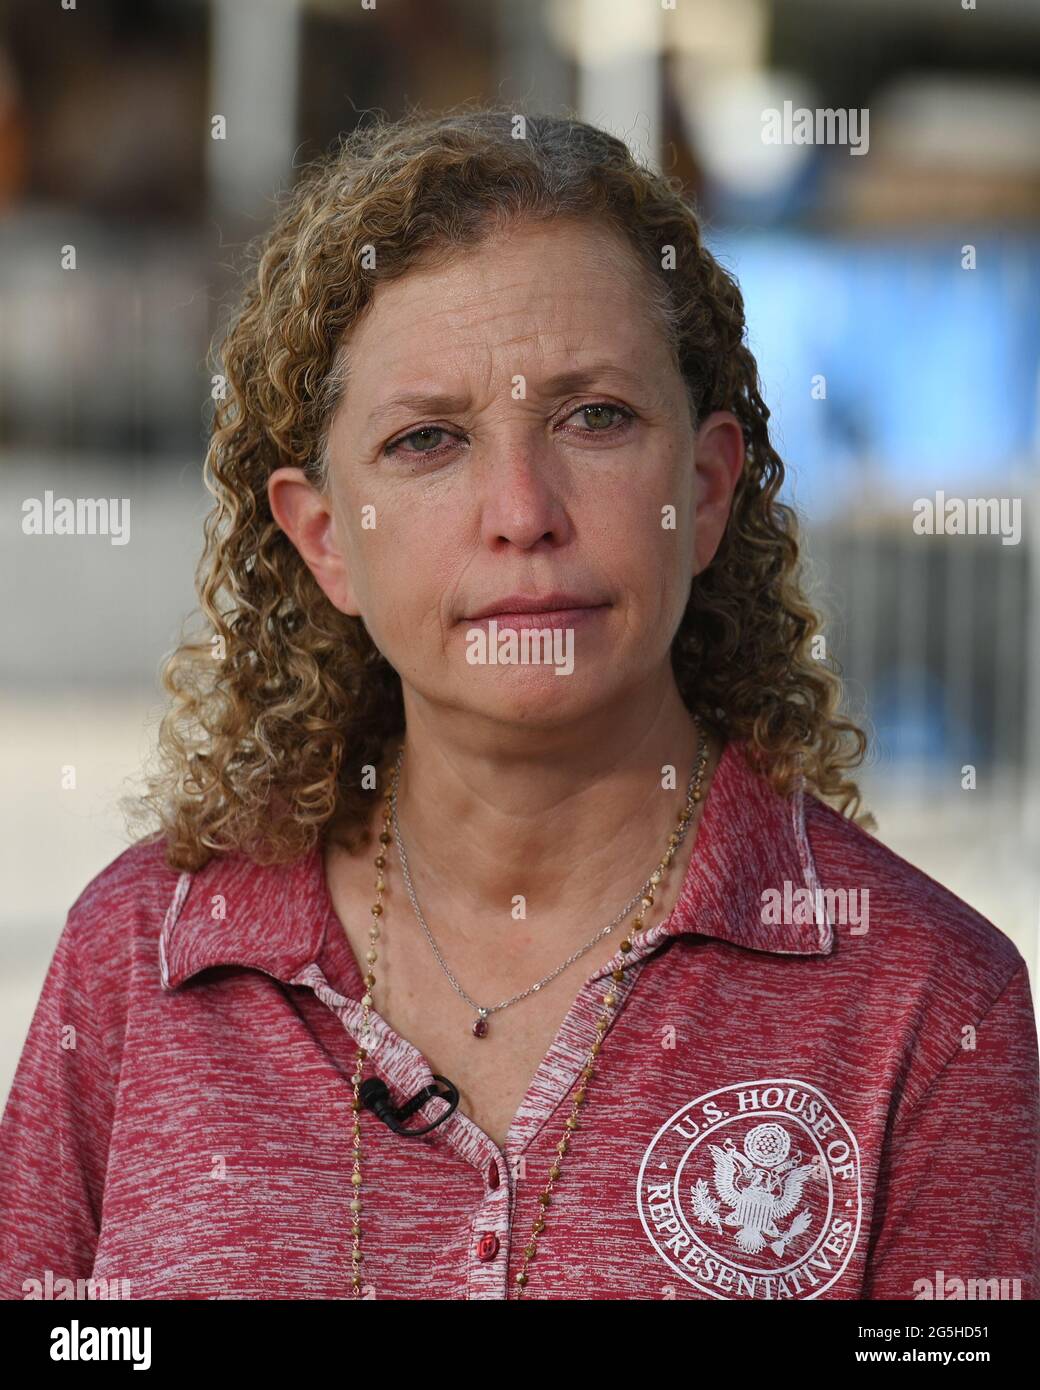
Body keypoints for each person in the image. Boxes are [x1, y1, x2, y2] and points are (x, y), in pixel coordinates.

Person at [1, 105, 1037, 1302]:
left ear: (703, 491)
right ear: (325, 538)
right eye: (427, 438)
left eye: (592, 417)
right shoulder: (142, 956)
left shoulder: (924, 1002)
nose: (520, 508)